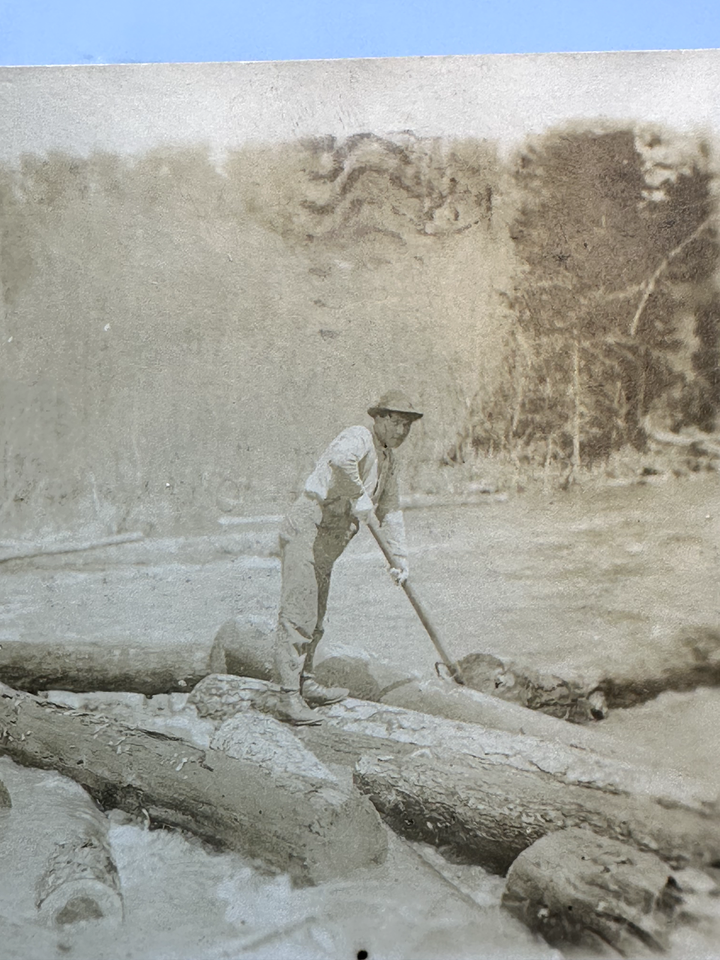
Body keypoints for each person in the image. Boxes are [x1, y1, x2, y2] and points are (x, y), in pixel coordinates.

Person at [270, 391, 423, 725]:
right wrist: (358, 494)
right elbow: (340, 460)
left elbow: (391, 510)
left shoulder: (389, 460)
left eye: (407, 426)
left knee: (316, 613)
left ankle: (304, 682)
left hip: (330, 540)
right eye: (396, 423)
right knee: (298, 613)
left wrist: (400, 559)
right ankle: (286, 697)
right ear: (379, 418)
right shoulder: (359, 436)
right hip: (307, 529)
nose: (401, 432)